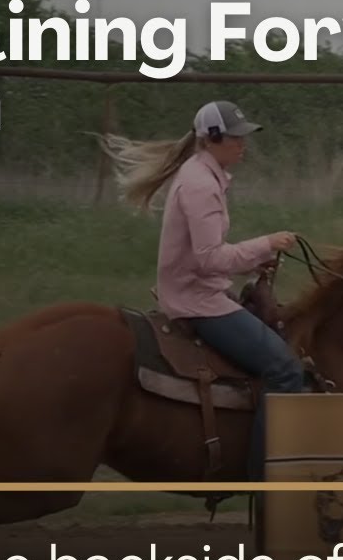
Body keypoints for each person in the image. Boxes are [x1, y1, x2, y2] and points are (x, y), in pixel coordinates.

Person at [98, 99, 305, 481]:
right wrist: (266, 244)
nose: (243, 145)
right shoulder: (200, 186)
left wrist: (252, 260)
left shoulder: (202, 175)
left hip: (198, 291)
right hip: (197, 302)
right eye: (235, 138)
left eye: (244, 137)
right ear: (211, 139)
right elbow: (209, 258)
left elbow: (207, 256)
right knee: (286, 370)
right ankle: (266, 486)